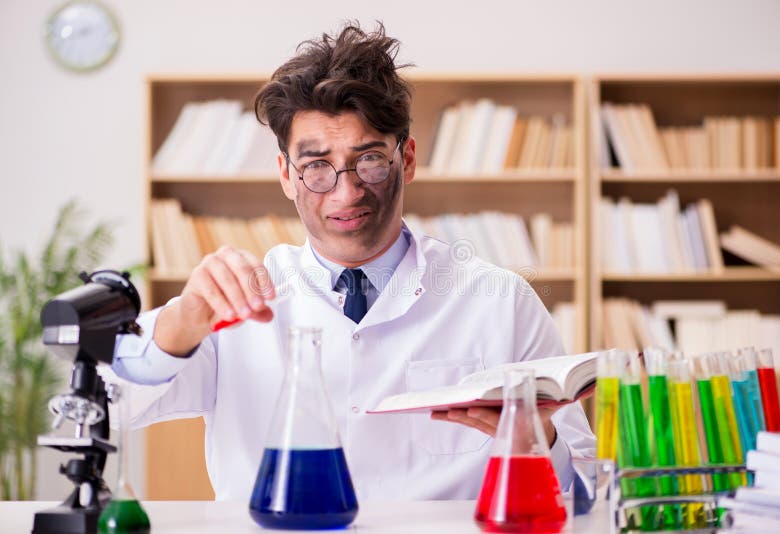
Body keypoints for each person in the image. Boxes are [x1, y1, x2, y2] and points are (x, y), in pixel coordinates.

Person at [113, 22, 595, 501]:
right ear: (285, 174)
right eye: (317, 166)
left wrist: (531, 439)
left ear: (406, 159)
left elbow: (586, 492)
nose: (346, 192)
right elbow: (105, 407)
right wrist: (180, 323)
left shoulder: (502, 302)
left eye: (369, 160)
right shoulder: (232, 304)